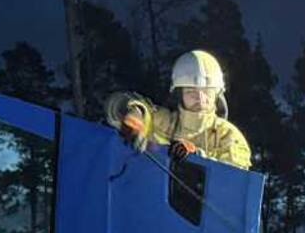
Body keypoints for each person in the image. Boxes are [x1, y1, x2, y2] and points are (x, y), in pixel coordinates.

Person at [105, 50, 253, 170]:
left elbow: (235, 178)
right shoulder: (165, 123)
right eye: (191, 91)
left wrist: (196, 157)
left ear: (217, 94)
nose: (200, 99)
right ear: (179, 94)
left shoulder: (228, 135)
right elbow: (119, 105)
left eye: (207, 91)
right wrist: (135, 114)